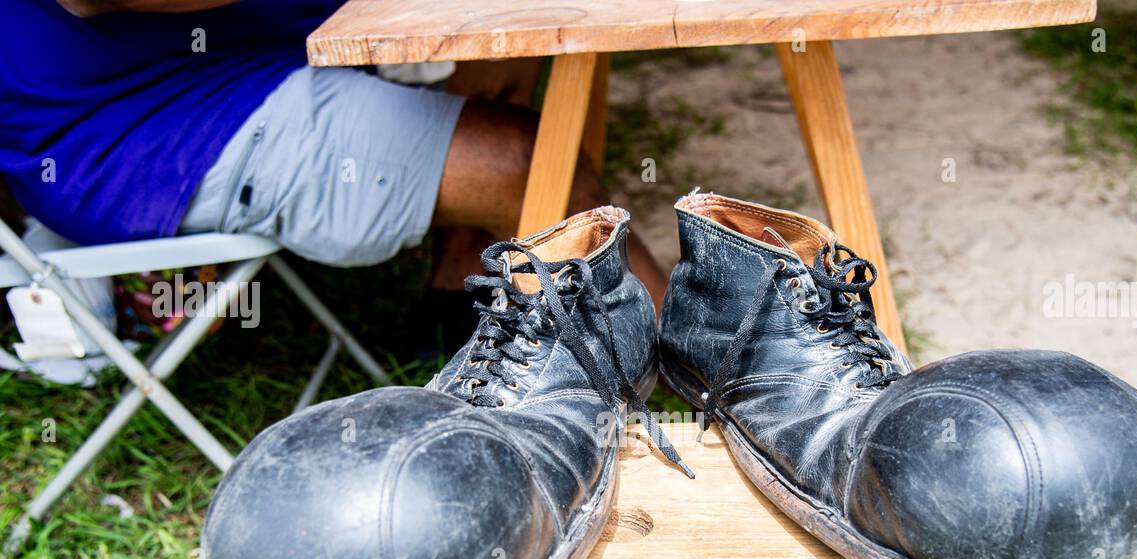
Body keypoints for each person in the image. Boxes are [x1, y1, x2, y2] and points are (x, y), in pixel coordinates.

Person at [0, 0, 667, 304]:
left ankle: (455, 296)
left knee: (512, 36)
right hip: (137, 129)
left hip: (222, 68)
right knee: (527, 165)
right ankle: (702, 373)